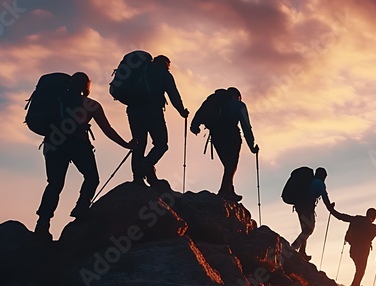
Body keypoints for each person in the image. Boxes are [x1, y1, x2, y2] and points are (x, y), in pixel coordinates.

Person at [35, 72, 131, 239]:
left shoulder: (54, 101)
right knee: (92, 177)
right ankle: (81, 207)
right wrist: (126, 144)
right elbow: (107, 130)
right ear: (86, 86)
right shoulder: (90, 105)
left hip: (53, 144)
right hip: (78, 144)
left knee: (54, 184)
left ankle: (42, 223)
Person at [127, 55, 190, 187]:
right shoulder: (164, 75)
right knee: (161, 144)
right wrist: (181, 111)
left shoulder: (140, 72)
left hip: (134, 111)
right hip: (153, 112)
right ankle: (146, 164)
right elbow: (173, 95)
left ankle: (138, 178)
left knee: (139, 143)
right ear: (165, 64)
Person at [190, 87, 259, 201]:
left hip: (216, 137)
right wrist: (251, 145)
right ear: (236, 96)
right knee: (231, 166)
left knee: (228, 165)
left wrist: (194, 126)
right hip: (232, 136)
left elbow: (200, 112)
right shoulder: (238, 105)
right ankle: (224, 192)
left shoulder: (213, 101)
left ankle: (230, 191)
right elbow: (246, 126)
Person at [327, 205, 376, 286]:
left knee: (359, 270)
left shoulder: (356, 219)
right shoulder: (374, 227)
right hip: (363, 250)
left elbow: (342, 217)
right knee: (360, 271)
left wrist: (331, 210)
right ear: (373, 217)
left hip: (353, 250)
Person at [290, 167, 332, 261]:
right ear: (323, 176)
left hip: (300, 206)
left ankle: (302, 251)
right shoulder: (319, 183)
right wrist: (331, 209)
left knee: (306, 229)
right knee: (308, 230)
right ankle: (293, 248)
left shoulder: (311, 181)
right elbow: (325, 196)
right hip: (306, 208)